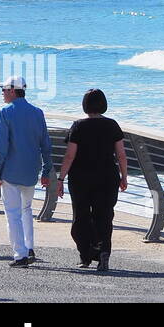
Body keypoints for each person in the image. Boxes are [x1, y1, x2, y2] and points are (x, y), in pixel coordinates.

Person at [56, 89, 128, 271]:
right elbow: (121, 155)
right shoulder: (112, 125)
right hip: (107, 176)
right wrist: (124, 176)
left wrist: (60, 178)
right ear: (103, 104)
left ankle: (86, 255)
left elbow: (70, 156)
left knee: (81, 216)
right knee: (104, 216)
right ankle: (103, 253)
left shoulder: (78, 126)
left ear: (85, 105)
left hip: (80, 178)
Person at [0, 76, 52, 268]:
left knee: (12, 213)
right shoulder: (37, 112)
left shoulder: (5, 112)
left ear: (12, 90)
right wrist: (46, 170)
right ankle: (30, 247)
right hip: (31, 171)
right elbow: (46, 145)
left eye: (4, 89)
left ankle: (20, 254)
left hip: (10, 171)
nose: (2, 93)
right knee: (26, 209)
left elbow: (0, 146)